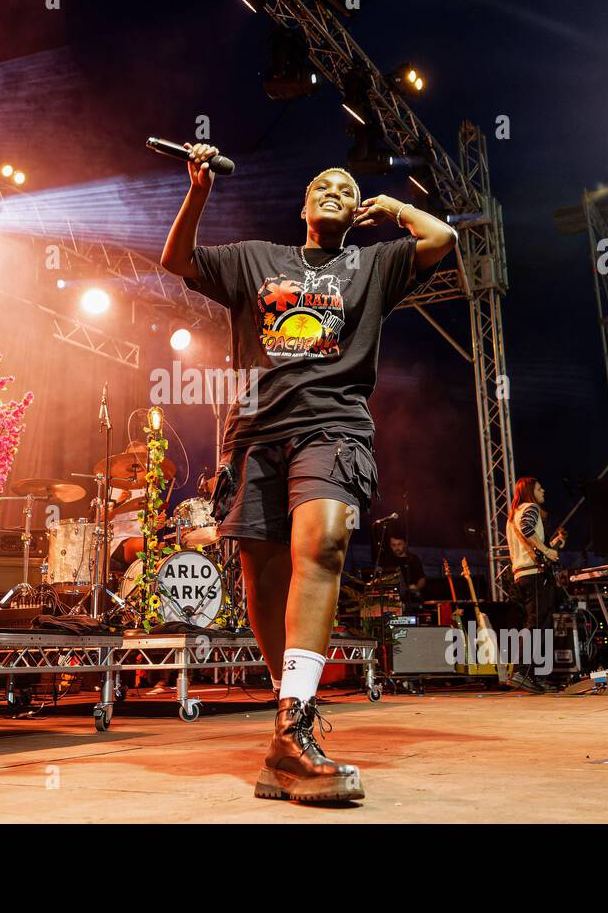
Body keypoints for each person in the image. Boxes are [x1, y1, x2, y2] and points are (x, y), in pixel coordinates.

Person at [160, 144, 457, 802]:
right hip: (255, 435)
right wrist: (200, 190)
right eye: (321, 183)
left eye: (346, 187)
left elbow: (445, 237)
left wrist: (401, 207)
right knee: (261, 578)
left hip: (335, 428)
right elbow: (176, 260)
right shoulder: (255, 258)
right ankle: (285, 732)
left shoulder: (374, 264)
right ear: (303, 204)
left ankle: (296, 721)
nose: (332, 188)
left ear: (358, 211)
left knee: (320, 545)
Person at [505, 475, 567, 693]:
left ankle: (533, 676)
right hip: (534, 575)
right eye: (540, 488)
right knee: (537, 626)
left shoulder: (513, 515)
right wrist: (547, 550)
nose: (544, 492)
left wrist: (553, 544)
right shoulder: (530, 508)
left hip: (522, 575)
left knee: (537, 625)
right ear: (530, 491)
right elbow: (527, 529)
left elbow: (528, 541)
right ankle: (522, 672)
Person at [377, 532, 427, 607]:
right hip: (391, 600)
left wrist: (416, 588)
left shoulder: (413, 559)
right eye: (393, 545)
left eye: (399, 544)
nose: (396, 547)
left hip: (411, 598)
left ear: (405, 544)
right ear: (390, 546)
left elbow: (422, 579)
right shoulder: (386, 560)